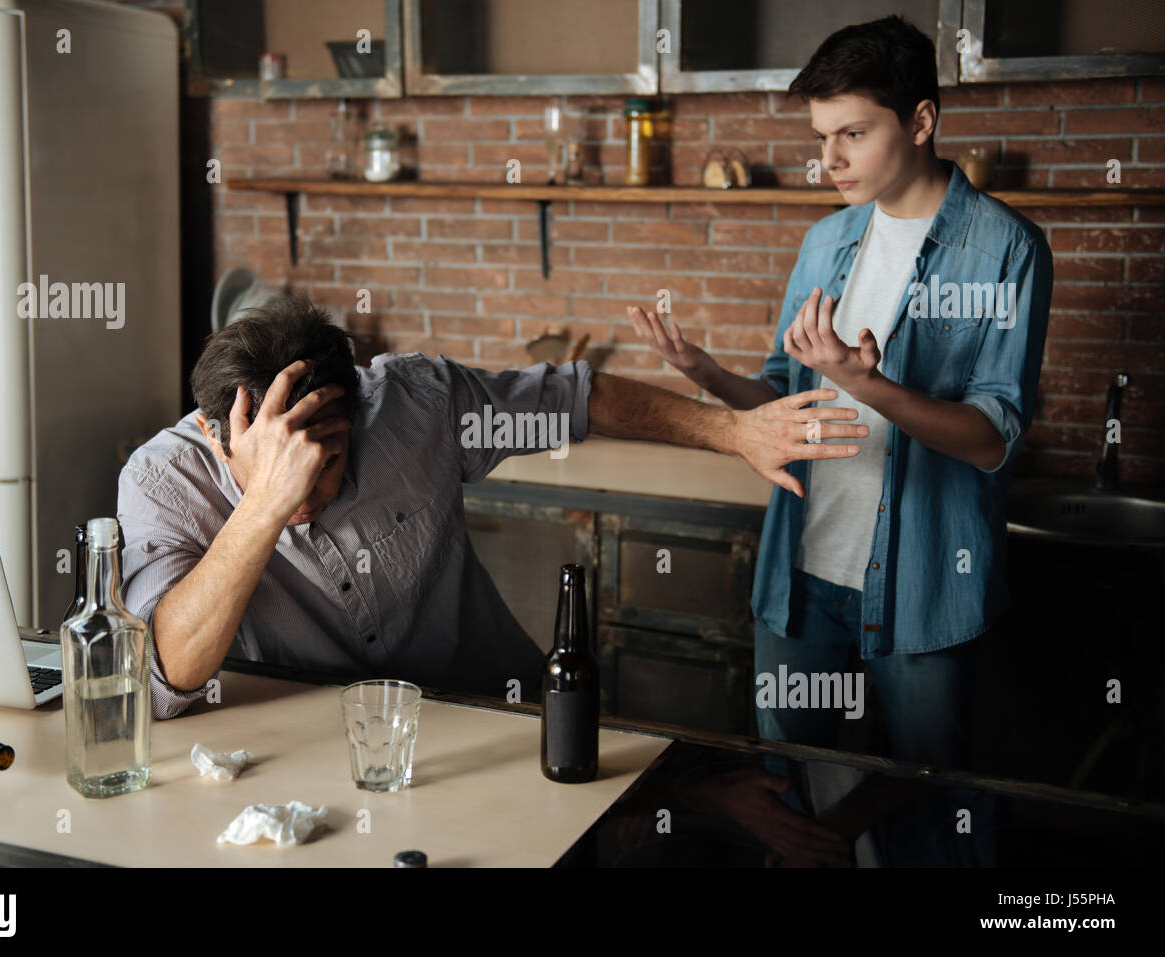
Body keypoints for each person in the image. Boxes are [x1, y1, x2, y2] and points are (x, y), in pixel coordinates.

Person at [630, 15, 1051, 865]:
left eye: (853, 134)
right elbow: (782, 398)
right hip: (803, 573)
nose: (830, 159)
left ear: (922, 122)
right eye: (822, 137)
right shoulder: (827, 240)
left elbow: (990, 438)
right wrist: (706, 372)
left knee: (932, 797)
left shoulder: (1007, 248)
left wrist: (867, 385)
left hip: (926, 588)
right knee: (790, 796)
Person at [117, 292, 865, 721]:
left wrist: (733, 430)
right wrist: (263, 507)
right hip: (313, 747)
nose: (309, 495)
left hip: (496, 710)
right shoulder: (162, 481)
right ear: (218, 437)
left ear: (359, 413)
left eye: (328, 462)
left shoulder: (416, 401)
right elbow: (166, 674)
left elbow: (575, 398)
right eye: (284, 472)